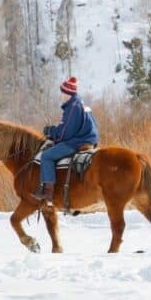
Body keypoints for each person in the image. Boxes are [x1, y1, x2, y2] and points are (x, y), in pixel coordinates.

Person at [31, 76, 99, 205]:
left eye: (63, 92)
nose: (62, 95)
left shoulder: (72, 107)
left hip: (77, 142)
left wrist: (51, 132)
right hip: (88, 140)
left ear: (68, 93)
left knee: (46, 156)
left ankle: (48, 192)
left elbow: (65, 132)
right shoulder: (81, 105)